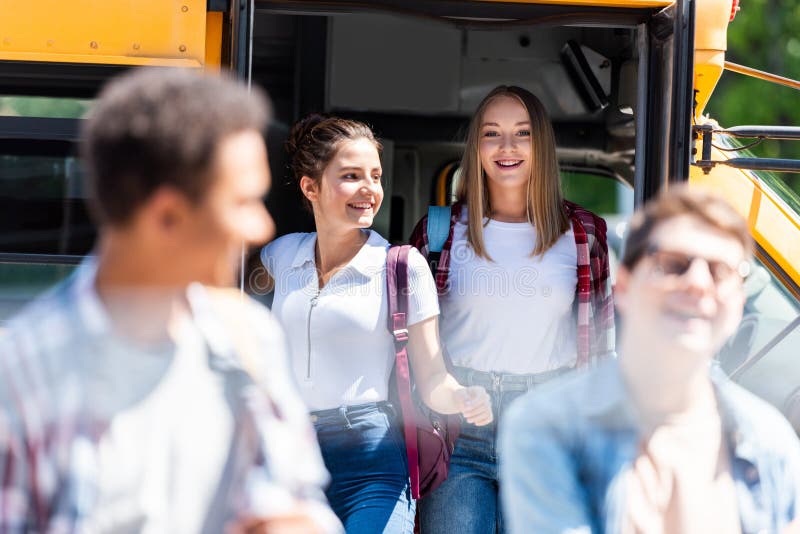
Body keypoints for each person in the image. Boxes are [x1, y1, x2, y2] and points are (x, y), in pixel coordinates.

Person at [0, 68, 341, 533]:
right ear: (166, 217)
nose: (261, 227)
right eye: (243, 203)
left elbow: (296, 501)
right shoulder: (22, 374)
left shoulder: (248, 339)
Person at [500, 186, 800, 534]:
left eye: (720, 271)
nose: (698, 283)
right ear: (623, 286)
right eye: (673, 265)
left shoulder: (769, 440)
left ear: (737, 302)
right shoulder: (548, 426)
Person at [260, 114, 494, 533]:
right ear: (310, 187)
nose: (370, 190)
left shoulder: (402, 267)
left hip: (372, 460)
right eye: (352, 176)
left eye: (376, 176)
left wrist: (463, 397)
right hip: (291, 459)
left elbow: (434, 378)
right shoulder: (282, 254)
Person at [409, 85, 615, 533]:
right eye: (492, 134)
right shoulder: (438, 233)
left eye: (522, 133)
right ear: (476, 147)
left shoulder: (584, 234)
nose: (507, 148)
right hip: (458, 429)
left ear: (541, 143)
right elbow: (409, 347)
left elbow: (601, 350)